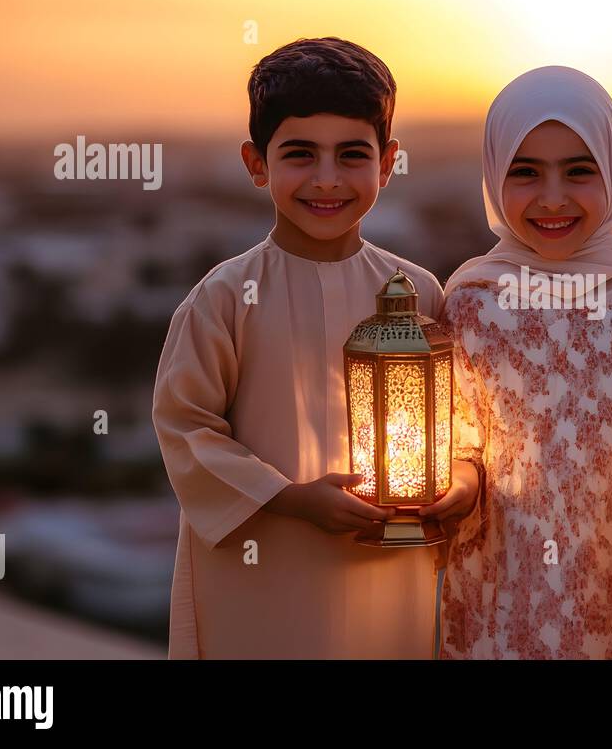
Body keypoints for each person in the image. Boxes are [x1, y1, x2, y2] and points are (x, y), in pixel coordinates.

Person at [152, 37, 477, 658]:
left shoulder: (421, 294)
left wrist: (459, 481)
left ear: (387, 163)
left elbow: (463, 428)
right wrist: (292, 499)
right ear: (257, 163)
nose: (327, 179)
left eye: (351, 155)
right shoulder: (224, 297)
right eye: (301, 155)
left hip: (392, 564)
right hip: (262, 567)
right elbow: (185, 427)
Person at [433, 66, 612, 658]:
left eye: (578, 171)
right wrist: (456, 487)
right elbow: (463, 445)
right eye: (525, 172)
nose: (552, 198)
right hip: (502, 586)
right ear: (495, 176)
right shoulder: (471, 304)